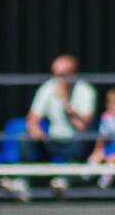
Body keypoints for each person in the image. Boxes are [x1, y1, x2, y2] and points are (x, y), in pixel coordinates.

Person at [17, 54, 97, 196]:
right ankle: (23, 182)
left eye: (62, 74)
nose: (57, 78)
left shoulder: (86, 90)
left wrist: (67, 104)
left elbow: (83, 126)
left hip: (75, 141)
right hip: (52, 139)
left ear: (73, 73)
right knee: (24, 137)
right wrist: (34, 128)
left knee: (82, 138)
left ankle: (64, 180)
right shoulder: (47, 88)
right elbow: (32, 117)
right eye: (55, 73)